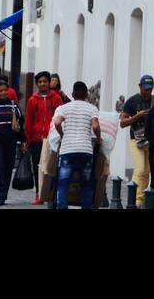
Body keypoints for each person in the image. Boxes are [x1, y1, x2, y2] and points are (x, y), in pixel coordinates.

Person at [51, 81, 101, 210]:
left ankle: (62, 207)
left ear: (73, 94)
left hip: (67, 150)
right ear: (86, 95)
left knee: (63, 183)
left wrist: (63, 134)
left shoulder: (64, 107)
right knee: (86, 184)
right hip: (86, 151)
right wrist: (99, 138)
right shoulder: (92, 108)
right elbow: (95, 126)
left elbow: (56, 122)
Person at [25, 71, 66, 204]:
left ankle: (52, 194)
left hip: (52, 138)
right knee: (38, 167)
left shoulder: (57, 99)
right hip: (36, 139)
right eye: (40, 82)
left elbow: (61, 118)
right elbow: (29, 121)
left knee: (53, 168)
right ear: (37, 84)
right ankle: (39, 194)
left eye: (45, 81)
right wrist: (28, 140)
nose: (42, 84)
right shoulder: (32, 100)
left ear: (49, 83)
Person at [119, 74, 154, 206]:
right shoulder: (132, 101)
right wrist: (137, 116)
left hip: (151, 140)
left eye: (150, 88)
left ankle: (141, 199)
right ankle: (133, 200)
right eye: (145, 88)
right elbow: (122, 123)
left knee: (146, 172)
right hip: (136, 140)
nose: (148, 91)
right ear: (140, 86)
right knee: (140, 169)